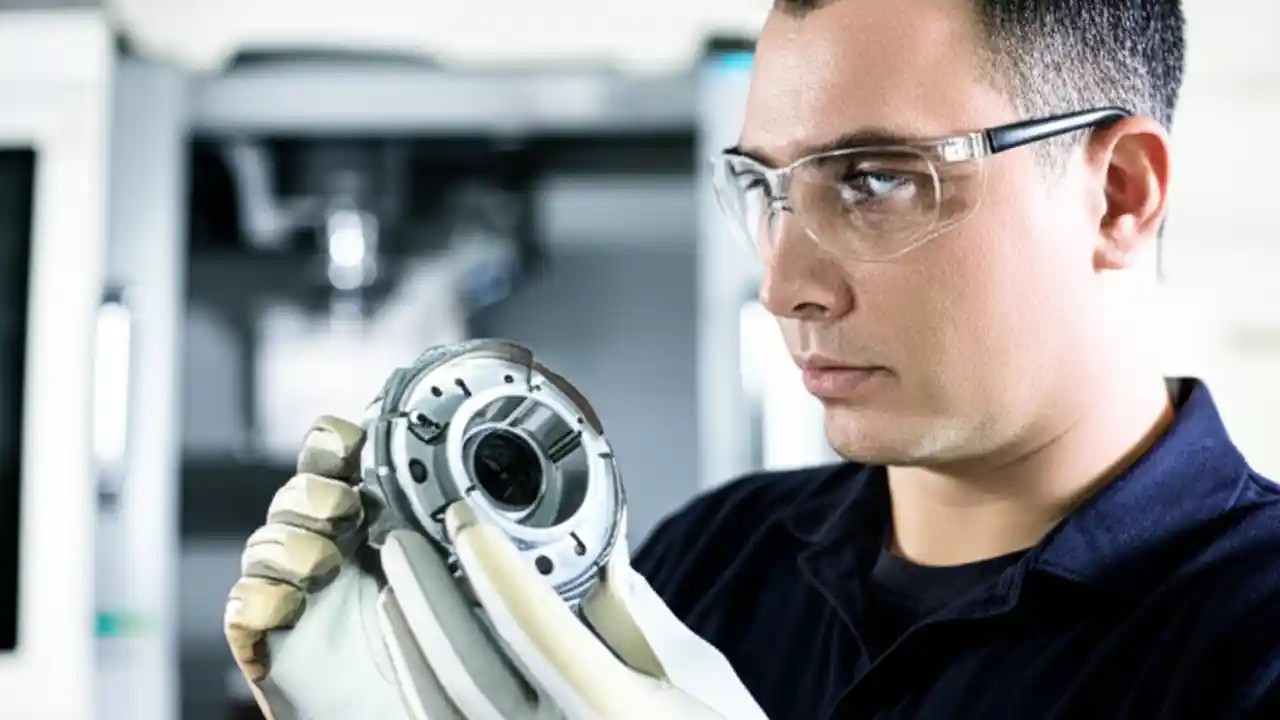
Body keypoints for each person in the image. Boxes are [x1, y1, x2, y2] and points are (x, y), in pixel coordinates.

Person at [224, 0, 1280, 717]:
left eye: (873, 181)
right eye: (765, 189)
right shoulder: (708, 561)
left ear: (1118, 194)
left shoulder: (1250, 639)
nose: (784, 287)